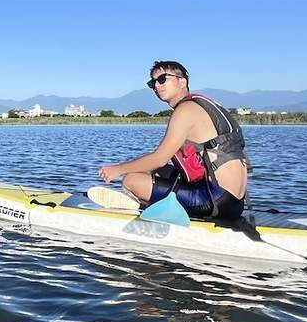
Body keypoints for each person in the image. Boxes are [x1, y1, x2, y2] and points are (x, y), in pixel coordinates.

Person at [93, 60, 249, 220]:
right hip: (235, 203)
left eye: (162, 79)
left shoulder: (185, 110)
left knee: (131, 180)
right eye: (152, 83)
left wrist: (117, 170)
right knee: (152, 170)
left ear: (182, 82)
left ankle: (141, 208)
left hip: (215, 201)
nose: (156, 86)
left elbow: (159, 159)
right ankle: (149, 202)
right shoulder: (206, 105)